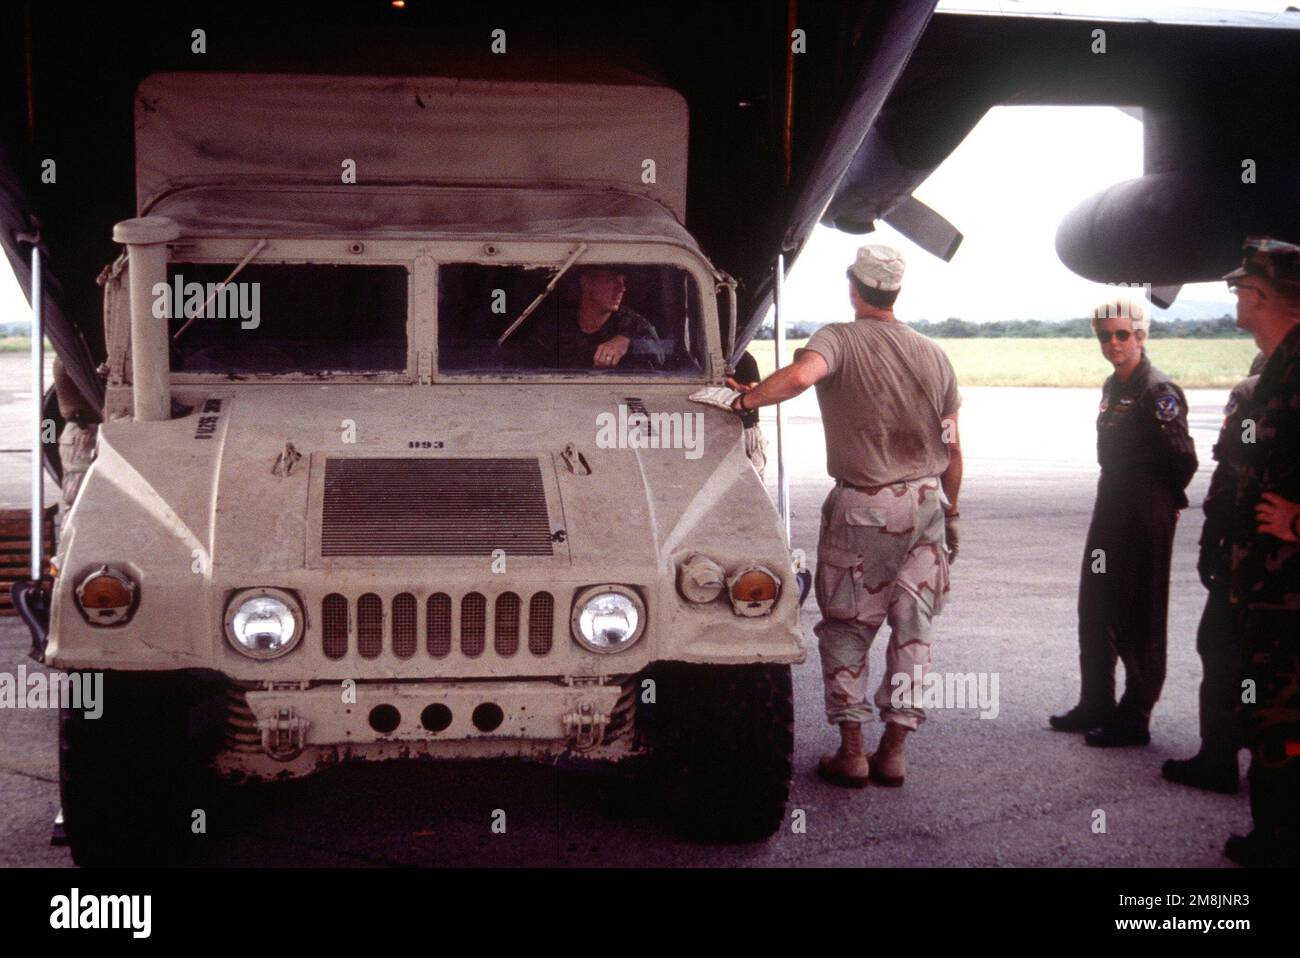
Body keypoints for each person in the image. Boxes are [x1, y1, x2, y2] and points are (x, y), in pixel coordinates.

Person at [729, 244, 961, 788]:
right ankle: (894, 752)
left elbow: (803, 377)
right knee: (914, 631)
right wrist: (953, 516)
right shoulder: (934, 354)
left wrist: (747, 402)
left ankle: (852, 753)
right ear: (895, 291)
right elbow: (953, 443)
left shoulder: (837, 337)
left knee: (847, 631)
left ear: (854, 287)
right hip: (928, 502)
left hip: (865, 508)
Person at [1049, 298, 1197, 747]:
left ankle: (1134, 717)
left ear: (1141, 336)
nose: (1112, 343)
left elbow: (1182, 457)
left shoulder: (1158, 390)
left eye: (1121, 335)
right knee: (1094, 603)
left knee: (1141, 613)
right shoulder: (1115, 385)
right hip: (1110, 507)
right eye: (1104, 336)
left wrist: (1167, 500)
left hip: (1144, 512)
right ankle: (1096, 701)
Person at [1219, 237, 1300, 867]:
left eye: (1243, 288)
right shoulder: (1276, 370)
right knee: (1264, 713)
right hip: (1266, 590)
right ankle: (1272, 833)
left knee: (1285, 721)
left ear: (1263, 297)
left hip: (1291, 591)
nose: (1237, 297)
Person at [1162, 352, 1264, 794]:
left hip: (1248, 553)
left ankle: (1219, 757)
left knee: (1222, 650)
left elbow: (1231, 465)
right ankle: (1266, 751)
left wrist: (1211, 542)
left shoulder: (1254, 392)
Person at [526, 266, 665, 369]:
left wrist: (627, 341)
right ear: (586, 283)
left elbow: (660, 354)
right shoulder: (556, 324)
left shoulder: (634, 324)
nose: (621, 288)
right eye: (612, 280)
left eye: (623, 281)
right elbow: (529, 364)